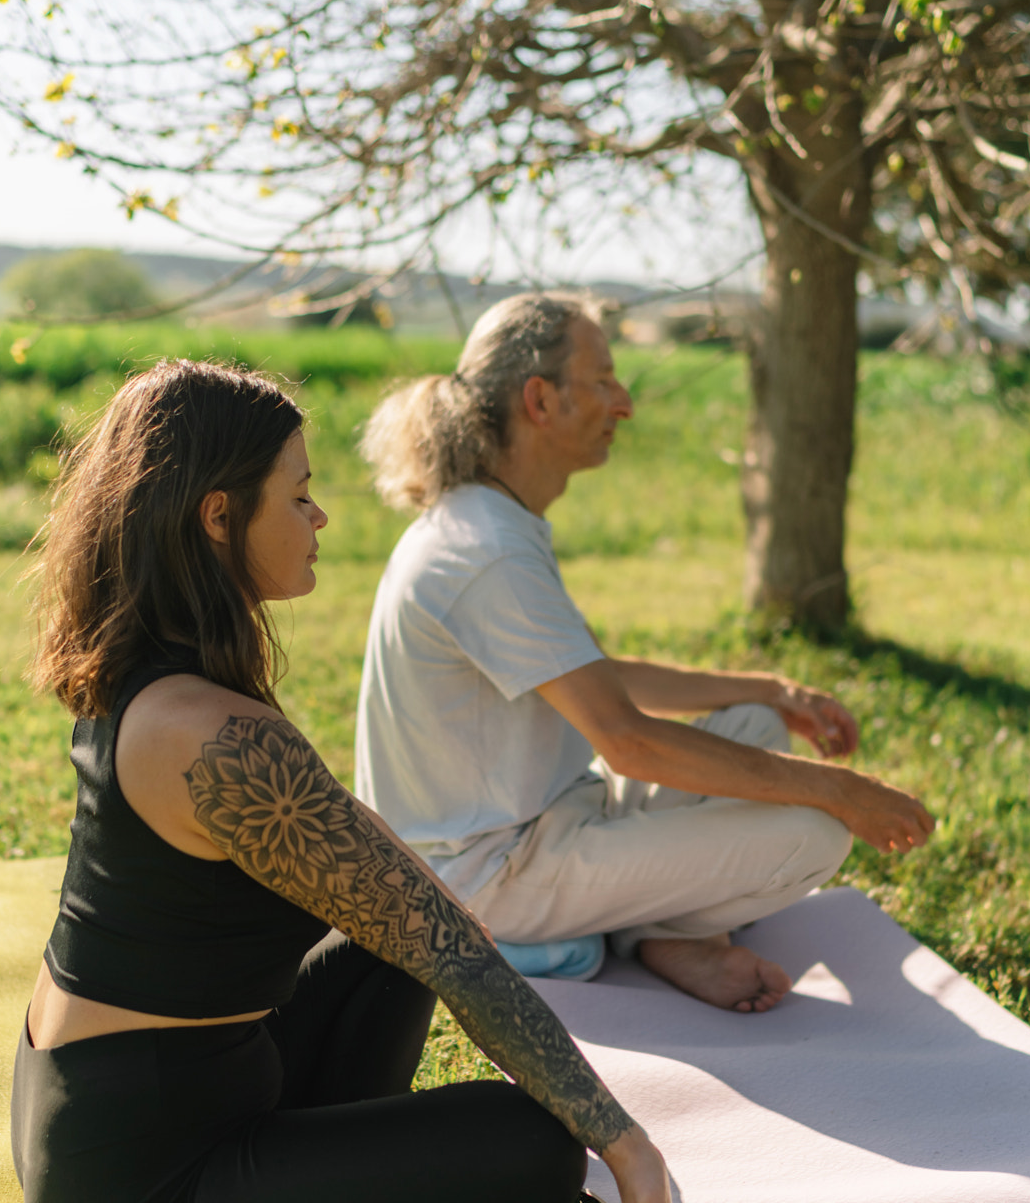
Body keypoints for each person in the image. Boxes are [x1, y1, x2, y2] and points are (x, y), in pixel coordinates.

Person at [13, 359, 701, 1203]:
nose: (320, 516)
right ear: (217, 517)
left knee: (396, 937)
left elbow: (414, 914)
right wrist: (625, 1147)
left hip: (127, 1101)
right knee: (534, 1149)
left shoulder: (157, 672)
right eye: (295, 496)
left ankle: (314, 1175)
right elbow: (455, 950)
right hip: (144, 1191)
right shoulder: (213, 738)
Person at [355, 294, 935, 1013]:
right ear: (540, 399)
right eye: (602, 380)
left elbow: (599, 679)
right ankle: (656, 934)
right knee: (813, 833)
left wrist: (770, 689)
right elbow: (626, 740)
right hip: (486, 877)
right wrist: (839, 791)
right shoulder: (486, 551)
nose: (623, 403)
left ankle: (655, 932)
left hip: (556, 817)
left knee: (753, 723)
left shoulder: (492, 520)